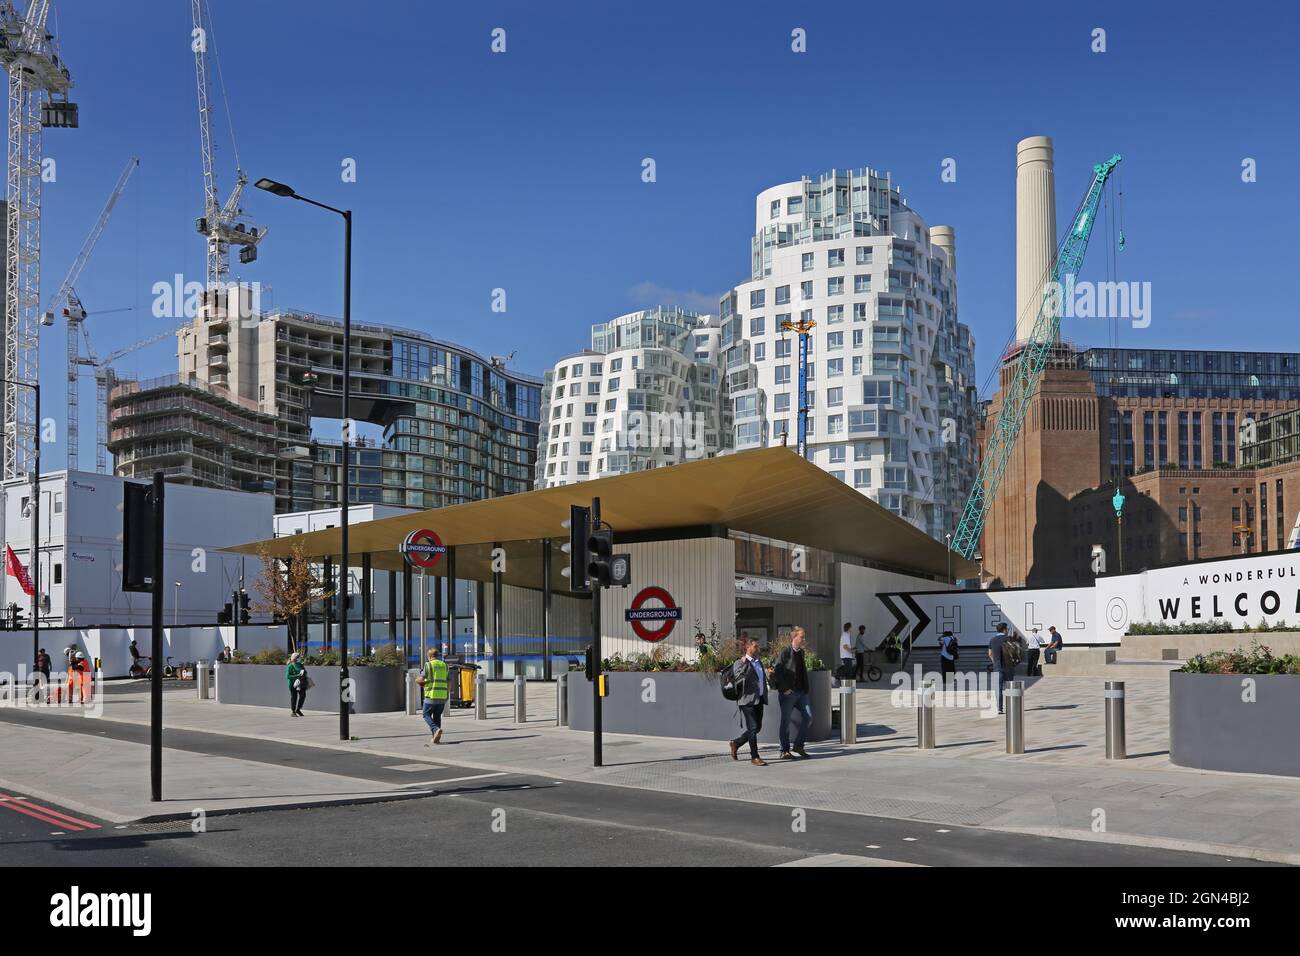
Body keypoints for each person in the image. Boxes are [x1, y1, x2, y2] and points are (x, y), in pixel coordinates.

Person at [772, 626, 813, 759]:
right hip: (788, 694)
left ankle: (798, 745)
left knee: (808, 717)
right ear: (794, 637)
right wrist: (784, 688)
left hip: (801, 693)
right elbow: (777, 670)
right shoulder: (785, 652)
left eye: (804, 636)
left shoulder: (801, 652)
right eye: (802, 636)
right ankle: (784, 750)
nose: (804, 639)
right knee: (786, 721)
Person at [727, 637, 769, 766]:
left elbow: (761, 678)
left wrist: (769, 674)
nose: (758, 649)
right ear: (748, 647)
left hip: (759, 699)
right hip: (746, 700)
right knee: (752, 728)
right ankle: (754, 757)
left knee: (757, 727)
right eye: (756, 646)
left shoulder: (758, 661)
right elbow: (738, 677)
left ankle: (736, 743)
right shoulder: (740, 662)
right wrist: (745, 664)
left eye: (758, 646)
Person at [987, 623, 1023, 714]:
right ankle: (1011, 707)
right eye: (1006, 629)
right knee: (1010, 687)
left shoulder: (992, 640)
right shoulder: (1008, 639)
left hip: (997, 667)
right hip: (1009, 667)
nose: (1007, 630)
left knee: (998, 688)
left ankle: (999, 708)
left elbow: (990, 654)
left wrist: (995, 662)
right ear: (1004, 630)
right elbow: (1016, 651)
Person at [417, 646, 450, 746]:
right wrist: (447, 694)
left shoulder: (428, 665)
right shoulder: (444, 665)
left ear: (429, 656)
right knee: (437, 716)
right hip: (442, 695)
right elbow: (449, 681)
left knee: (426, 714)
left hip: (431, 695)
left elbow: (421, 679)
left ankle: (436, 729)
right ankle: (436, 738)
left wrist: (418, 681)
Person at [286, 652, 308, 716]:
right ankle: (293, 711)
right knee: (294, 697)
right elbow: (288, 676)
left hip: (300, 683)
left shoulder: (300, 664)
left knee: (303, 695)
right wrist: (297, 675)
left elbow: (305, 671)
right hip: (292, 684)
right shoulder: (290, 666)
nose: (299, 659)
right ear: (294, 658)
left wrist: (303, 674)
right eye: (298, 657)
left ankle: (298, 709)